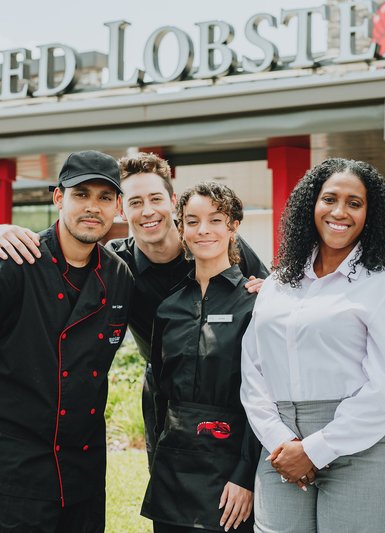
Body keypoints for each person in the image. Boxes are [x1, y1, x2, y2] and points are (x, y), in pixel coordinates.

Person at [0, 152, 269, 466]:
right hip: (166, 394)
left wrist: (269, 289)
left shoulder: (218, 245)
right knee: (170, 494)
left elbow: (278, 301)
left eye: (156, 199)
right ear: (122, 209)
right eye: (135, 202)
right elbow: (59, 323)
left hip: (232, 389)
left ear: (173, 201)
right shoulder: (114, 266)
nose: (147, 211)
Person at [0, 150, 134, 532]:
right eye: (81, 194)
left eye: (105, 197)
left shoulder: (119, 274)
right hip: (10, 472)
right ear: (58, 198)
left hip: (82, 474)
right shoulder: (9, 263)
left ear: (118, 207)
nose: (93, 207)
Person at [240, 158, 385, 533]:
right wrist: (283, 441)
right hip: (281, 445)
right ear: (311, 205)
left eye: (355, 203)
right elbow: (253, 370)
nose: (340, 211)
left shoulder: (384, 288)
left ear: (371, 215)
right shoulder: (276, 285)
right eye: (330, 199)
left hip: (366, 444)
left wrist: (314, 450)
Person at [141, 182, 260, 532]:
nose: (203, 230)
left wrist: (246, 475)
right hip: (173, 471)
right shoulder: (168, 308)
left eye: (216, 220)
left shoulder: (256, 303)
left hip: (230, 471)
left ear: (233, 225)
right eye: (192, 221)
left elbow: (266, 399)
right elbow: (159, 395)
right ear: (181, 228)